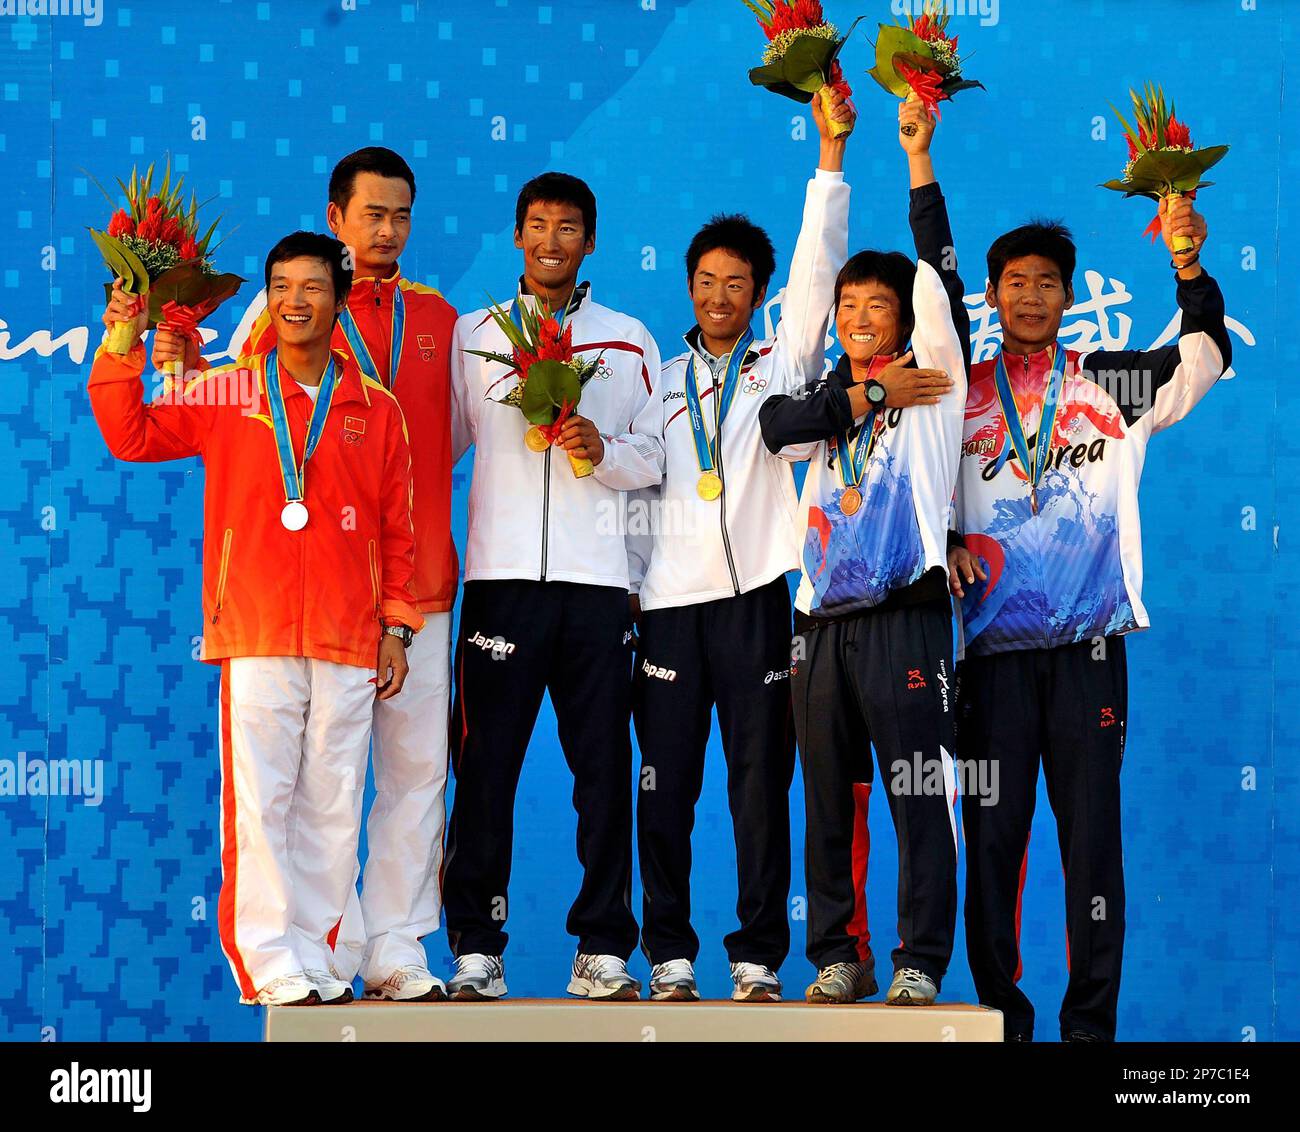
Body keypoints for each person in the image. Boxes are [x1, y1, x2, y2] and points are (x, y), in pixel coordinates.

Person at [154, 148, 460, 1003]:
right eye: (371, 215)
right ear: (337, 219)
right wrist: (157, 349)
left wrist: (394, 604)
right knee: (289, 789)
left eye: (401, 214)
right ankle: (291, 951)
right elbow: (208, 408)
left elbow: (447, 446)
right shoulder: (274, 318)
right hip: (290, 605)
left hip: (398, 595)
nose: (386, 231)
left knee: (394, 785)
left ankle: (384, 947)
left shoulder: (441, 319)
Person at [89, 232, 423, 1007]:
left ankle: (320, 954)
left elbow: (399, 530)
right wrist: (120, 341)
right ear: (267, 300)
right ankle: (269, 958)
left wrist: (398, 626)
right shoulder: (230, 390)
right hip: (258, 626)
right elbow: (132, 432)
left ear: (340, 301)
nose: (295, 301)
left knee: (336, 802)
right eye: (280, 287)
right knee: (264, 800)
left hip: (349, 634)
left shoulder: (377, 411)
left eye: (312, 287)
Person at [947, 196, 1230, 1042]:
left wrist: (1187, 263)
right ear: (990, 297)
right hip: (989, 660)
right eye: (1014, 283)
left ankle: (1089, 1031)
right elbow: (912, 494)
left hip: (1088, 657)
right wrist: (955, 536)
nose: (1030, 297)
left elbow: (1204, 355)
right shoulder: (955, 397)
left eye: (1046, 284)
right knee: (992, 847)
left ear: (1069, 298)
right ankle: (1003, 1018)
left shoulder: (1110, 381)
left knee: (1091, 848)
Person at [628, 89, 854, 1004]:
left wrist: (827, 159)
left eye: (739, 285)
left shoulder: (780, 368)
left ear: (758, 296)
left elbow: (817, 268)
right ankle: (670, 955)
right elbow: (628, 485)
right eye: (707, 282)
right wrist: (634, 596)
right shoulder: (657, 380)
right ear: (690, 288)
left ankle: (758, 957)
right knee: (665, 787)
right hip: (671, 612)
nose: (722, 297)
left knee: (763, 787)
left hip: (762, 595)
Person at [759, 100, 967, 1006]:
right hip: (819, 629)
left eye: (875, 306)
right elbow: (773, 426)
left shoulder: (936, 383)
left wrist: (917, 161)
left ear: (904, 320)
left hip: (906, 622)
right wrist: (864, 389)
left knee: (920, 798)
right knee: (828, 805)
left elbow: (941, 284)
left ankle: (921, 959)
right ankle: (839, 955)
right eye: (847, 306)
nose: (856, 318)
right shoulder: (829, 395)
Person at [444, 171, 664, 1000]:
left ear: (590, 241)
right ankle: (476, 944)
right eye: (536, 225)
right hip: (500, 585)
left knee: (605, 770)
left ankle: (603, 944)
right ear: (516, 236)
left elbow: (658, 460)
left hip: (599, 585)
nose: (550, 241)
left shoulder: (626, 337)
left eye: (567, 227)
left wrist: (599, 447)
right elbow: (438, 451)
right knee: (486, 767)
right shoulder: (476, 336)